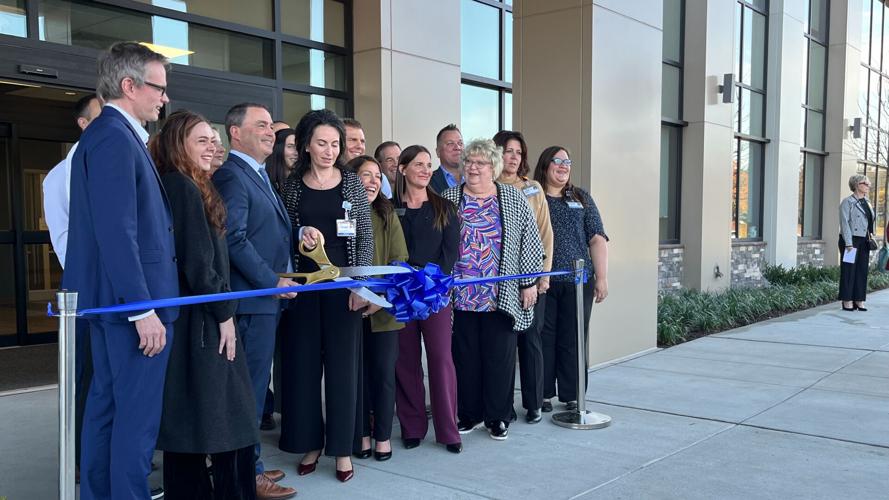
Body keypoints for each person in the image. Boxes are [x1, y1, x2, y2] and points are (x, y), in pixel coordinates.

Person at [63, 41, 178, 500]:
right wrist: (141, 309)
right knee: (134, 418)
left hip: (117, 304)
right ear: (129, 86)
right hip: (131, 307)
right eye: (159, 88)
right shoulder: (113, 136)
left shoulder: (113, 135)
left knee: (108, 411)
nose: (164, 98)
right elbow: (117, 232)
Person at [151, 110, 258, 499]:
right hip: (204, 317)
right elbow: (198, 262)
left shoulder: (196, 183)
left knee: (203, 420)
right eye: (202, 140)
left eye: (214, 140)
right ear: (178, 145)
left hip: (205, 313)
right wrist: (225, 315)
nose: (213, 146)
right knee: (225, 420)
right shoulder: (181, 186)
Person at [279, 109, 373, 483]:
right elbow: (282, 233)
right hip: (304, 289)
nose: (329, 150)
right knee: (302, 367)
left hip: (342, 289)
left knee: (343, 370)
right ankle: (310, 443)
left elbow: (364, 238)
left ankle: (342, 449)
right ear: (306, 144)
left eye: (335, 144)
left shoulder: (350, 184)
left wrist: (359, 286)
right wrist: (298, 236)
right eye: (321, 143)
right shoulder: (292, 185)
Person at [212, 103, 298, 500]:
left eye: (270, 125)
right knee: (247, 393)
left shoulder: (257, 174)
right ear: (235, 133)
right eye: (260, 125)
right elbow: (233, 239)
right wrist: (270, 280)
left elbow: (267, 233)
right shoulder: (233, 175)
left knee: (252, 390)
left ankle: (253, 465)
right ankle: (247, 475)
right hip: (252, 303)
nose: (270, 132)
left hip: (264, 302)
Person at [441, 138, 544, 441]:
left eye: (480, 163)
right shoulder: (449, 197)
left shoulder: (511, 197)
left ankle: (498, 416)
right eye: (469, 162)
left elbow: (530, 241)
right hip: (460, 294)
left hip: (502, 294)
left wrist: (528, 283)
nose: (473, 167)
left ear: (493, 167)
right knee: (465, 357)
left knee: (500, 357)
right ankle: (470, 413)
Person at [42, 92, 102, 480]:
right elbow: (65, 239)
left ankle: (102, 449)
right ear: (83, 123)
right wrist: (85, 282)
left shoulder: (103, 161)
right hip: (85, 288)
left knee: (106, 374)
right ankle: (80, 458)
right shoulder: (62, 173)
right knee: (85, 375)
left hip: (109, 287)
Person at [393, 145, 463, 453]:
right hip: (399, 295)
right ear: (402, 168)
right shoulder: (388, 207)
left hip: (434, 295)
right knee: (405, 361)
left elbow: (451, 252)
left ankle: (449, 430)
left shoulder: (444, 208)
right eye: (418, 164)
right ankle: (412, 426)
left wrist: (433, 284)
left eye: (428, 164)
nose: (424, 169)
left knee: (440, 359)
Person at [533, 146, 609, 413]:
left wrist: (602, 277)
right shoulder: (533, 196)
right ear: (545, 165)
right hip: (543, 281)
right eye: (557, 161)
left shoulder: (581, 197)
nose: (564, 166)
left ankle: (573, 393)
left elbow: (597, 238)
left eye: (568, 161)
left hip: (579, 281)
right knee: (543, 337)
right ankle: (541, 394)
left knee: (574, 337)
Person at [347, 155, 408, 462]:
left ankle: (383, 435)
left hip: (383, 309)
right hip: (348, 308)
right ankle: (362, 434)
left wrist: (375, 296)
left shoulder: (387, 213)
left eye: (376, 176)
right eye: (364, 175)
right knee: (355, 376)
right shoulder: (342, 212)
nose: (371, 181)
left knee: (383, 374)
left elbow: (398, 260)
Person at [493, 130, 554, 424]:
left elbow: (545, 233)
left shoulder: (533, 189)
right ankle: (501, 407)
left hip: (530, 279)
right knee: (502, 346)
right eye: (507, 151)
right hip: (498, 283)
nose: (514, 157)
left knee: (530, 342)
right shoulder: (486, 188)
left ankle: (534, 403)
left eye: (518, 152)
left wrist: (542, 276)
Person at [259, 126, 297, 432]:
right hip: (268, 284)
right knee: (262, 360)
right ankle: (265, 407)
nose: (296, 152)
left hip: (292, 282)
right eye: (291, 146)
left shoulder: (296, 184)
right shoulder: (265, 181)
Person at [839, 174, 875, 311]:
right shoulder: (847, 202)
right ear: (856, 185)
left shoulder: (867, 202)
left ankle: (858, 299)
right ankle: (847, 300)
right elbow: (845, 224)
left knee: (861, 270)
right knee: (849, 270)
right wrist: (848, 243)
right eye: (864, 183)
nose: (868, 186)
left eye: (868, 183)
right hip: (850, 240)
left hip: (864, 240)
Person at [344, 117, 393, 198]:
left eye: (362, 141)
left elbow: (386, 208)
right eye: (353, 140)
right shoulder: (329, 175)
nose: (360, 146)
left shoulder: (381, 178)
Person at [430, 124, 464, 194]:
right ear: (438, 152)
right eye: (450, 143)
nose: (457, 147)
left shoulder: (475, 177)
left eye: (460, 143)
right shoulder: (428, 182)